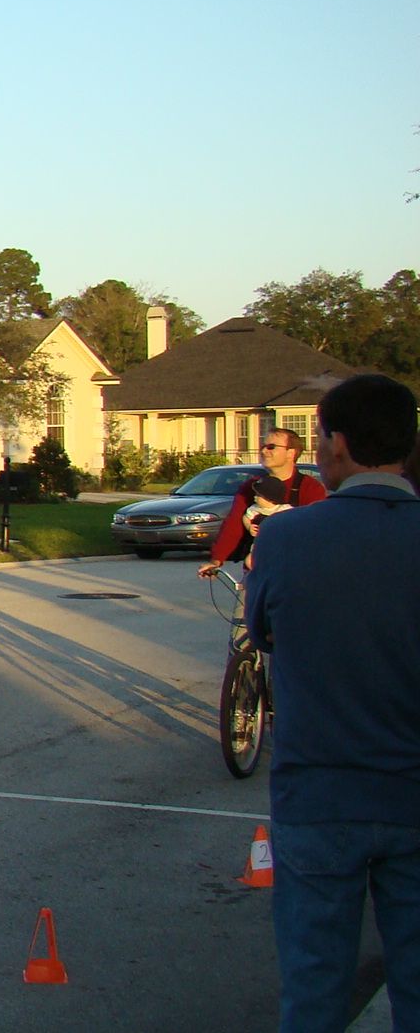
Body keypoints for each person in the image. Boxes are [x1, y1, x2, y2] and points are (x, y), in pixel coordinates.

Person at [247, 374, 420, 1033]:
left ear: (339, 445)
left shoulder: (289, 540)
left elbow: (263, 631)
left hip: (319, 799)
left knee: (315, 990)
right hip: (412, 796)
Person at [199, 429, 326, 578]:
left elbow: (317, 531)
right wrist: (216, 560)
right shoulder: (251, 486)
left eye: (271, 447)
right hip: (257, 572)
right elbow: (233, 524)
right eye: (262, 446)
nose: (264, 451)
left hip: (296, 573)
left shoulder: (309, 487)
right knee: (246, 600)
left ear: (291, 453)